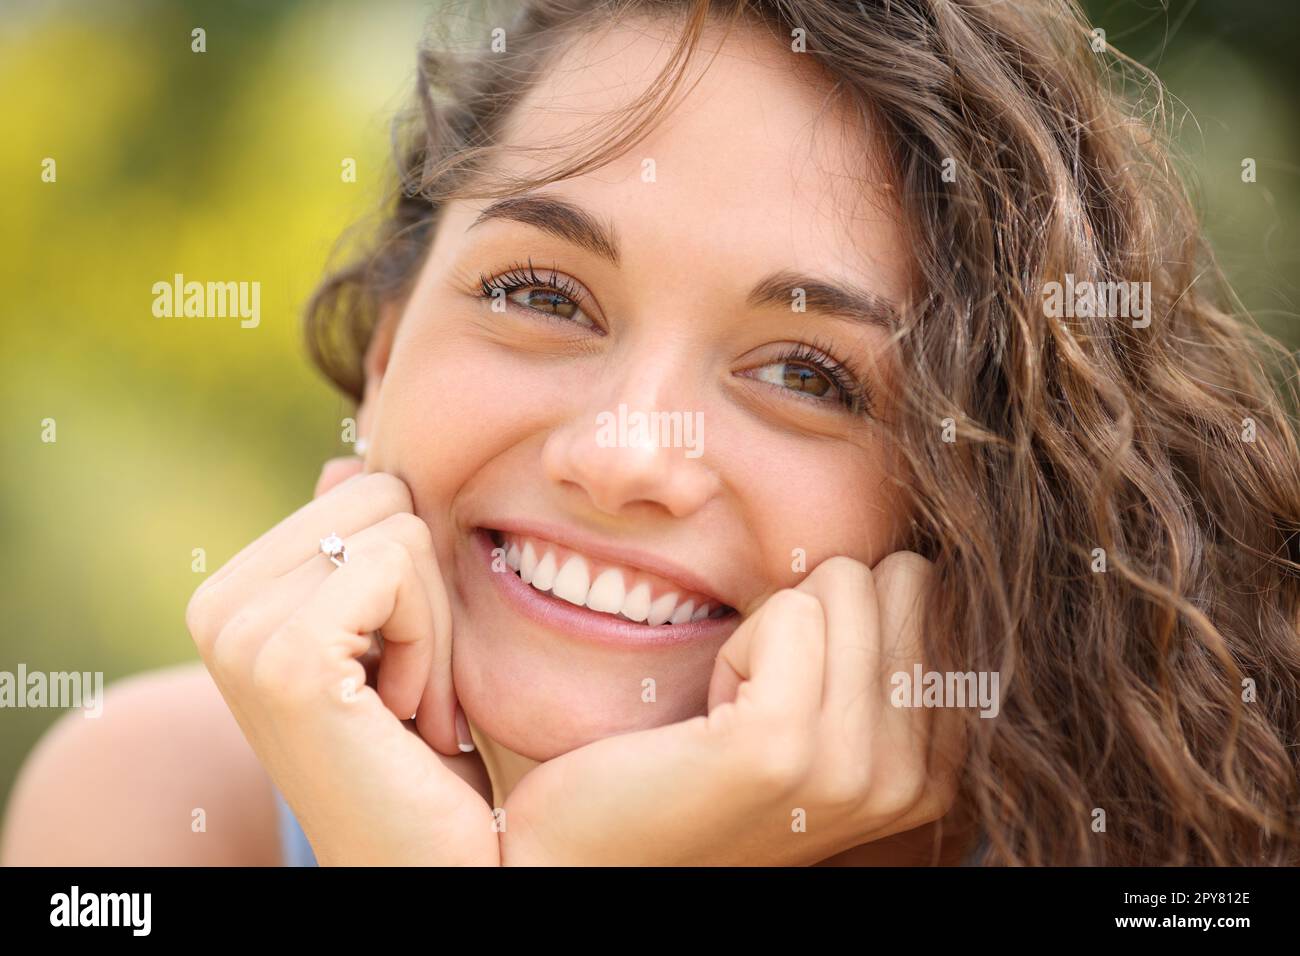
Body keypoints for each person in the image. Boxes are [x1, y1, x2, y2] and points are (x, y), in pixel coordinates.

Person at [4, 0, 1297, 866]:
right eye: (539, 295)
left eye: (807, 372)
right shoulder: (154, 805)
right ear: (388, 346)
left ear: (984, 495)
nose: (622, 455)